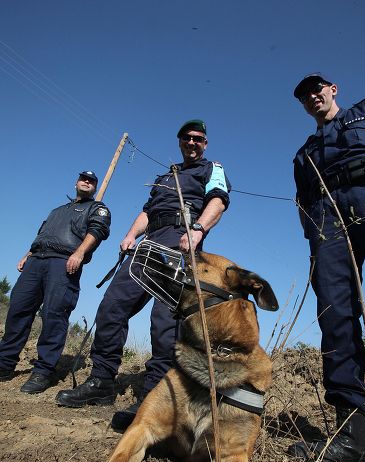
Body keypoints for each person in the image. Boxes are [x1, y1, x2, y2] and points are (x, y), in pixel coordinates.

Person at [55, 120, 231, 432]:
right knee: (112, 306)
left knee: (164, 321)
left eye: (198, 139)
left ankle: (154, 395)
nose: (192, 143)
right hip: (148, 241)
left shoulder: (211, 169)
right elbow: (148, 211)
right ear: (179, 141)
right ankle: (101, 381)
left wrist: (198, 229)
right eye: (187, 138)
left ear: (205, 144)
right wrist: (130, 236)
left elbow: (218, 200)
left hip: (180, 239)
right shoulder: (167, 176)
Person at [289, 74, 365, 462]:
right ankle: (354, 440)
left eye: (317, 88)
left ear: (333, 88)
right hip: (329, 223)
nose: (312, 96)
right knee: (335, 316)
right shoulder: (304, 153)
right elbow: (303, 200)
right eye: (304, 96)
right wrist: (316, 236)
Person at [0, 171, 111, 393]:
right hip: (36, 261)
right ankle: (4, 363)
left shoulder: (98, 208)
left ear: (96, 187)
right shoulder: (57, 211)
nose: (86, 182)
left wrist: (79, 254)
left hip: (63, 262)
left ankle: (43, 371)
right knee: (18, 311)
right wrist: (27, 255)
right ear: (76, 182)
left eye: (91, 181)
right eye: (83, 179)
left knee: (54, 314)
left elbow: (97, 232)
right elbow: (42, 235)